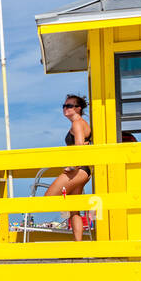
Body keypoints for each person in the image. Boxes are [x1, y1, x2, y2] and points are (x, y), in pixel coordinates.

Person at [43, 94, 93, 242]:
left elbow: (78, 146)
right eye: (64, 106)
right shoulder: (82, 123)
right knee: (74, 210)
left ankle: (77, 245)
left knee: (48, 199)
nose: (65, 108)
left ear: (78, 108)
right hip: (85, 170)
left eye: (69, 106)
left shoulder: (77, 123)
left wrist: (72, 166)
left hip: (78, 170)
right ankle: (78, 247)